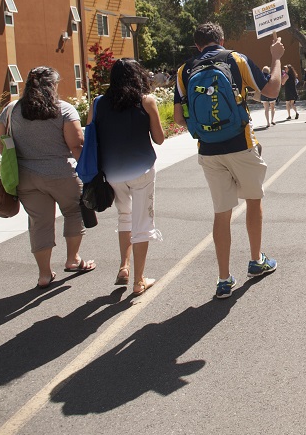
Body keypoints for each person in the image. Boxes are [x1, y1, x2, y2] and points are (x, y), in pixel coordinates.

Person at [174, 23, 284, 299]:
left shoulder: (184, 70)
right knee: (253, 201)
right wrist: (276, 56)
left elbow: (178, 119)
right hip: (241, 143)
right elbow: (271, 91)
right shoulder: (235, 58)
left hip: (208, 150)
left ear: (197, 45)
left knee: (221, 213)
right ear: (221, 39)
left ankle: (224, 279)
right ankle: (256, 260)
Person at [0, 66, 91, 289]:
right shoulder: (64, 109)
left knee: (39, 223)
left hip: (27, 177)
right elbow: (76, 145)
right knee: (74, 212)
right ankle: (73, 259)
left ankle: (44, 274)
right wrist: (89, 171)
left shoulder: (11, 109)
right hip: (62, 174)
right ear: (53, 85)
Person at [93, 59, 166, 296]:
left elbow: (92, 135)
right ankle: (139, 280)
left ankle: (123, 267)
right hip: (141, 168)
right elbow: (159, 138)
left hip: (112, 172)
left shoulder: (98, 104)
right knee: (142, 221)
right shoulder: (146, 101)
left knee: (124, 216)